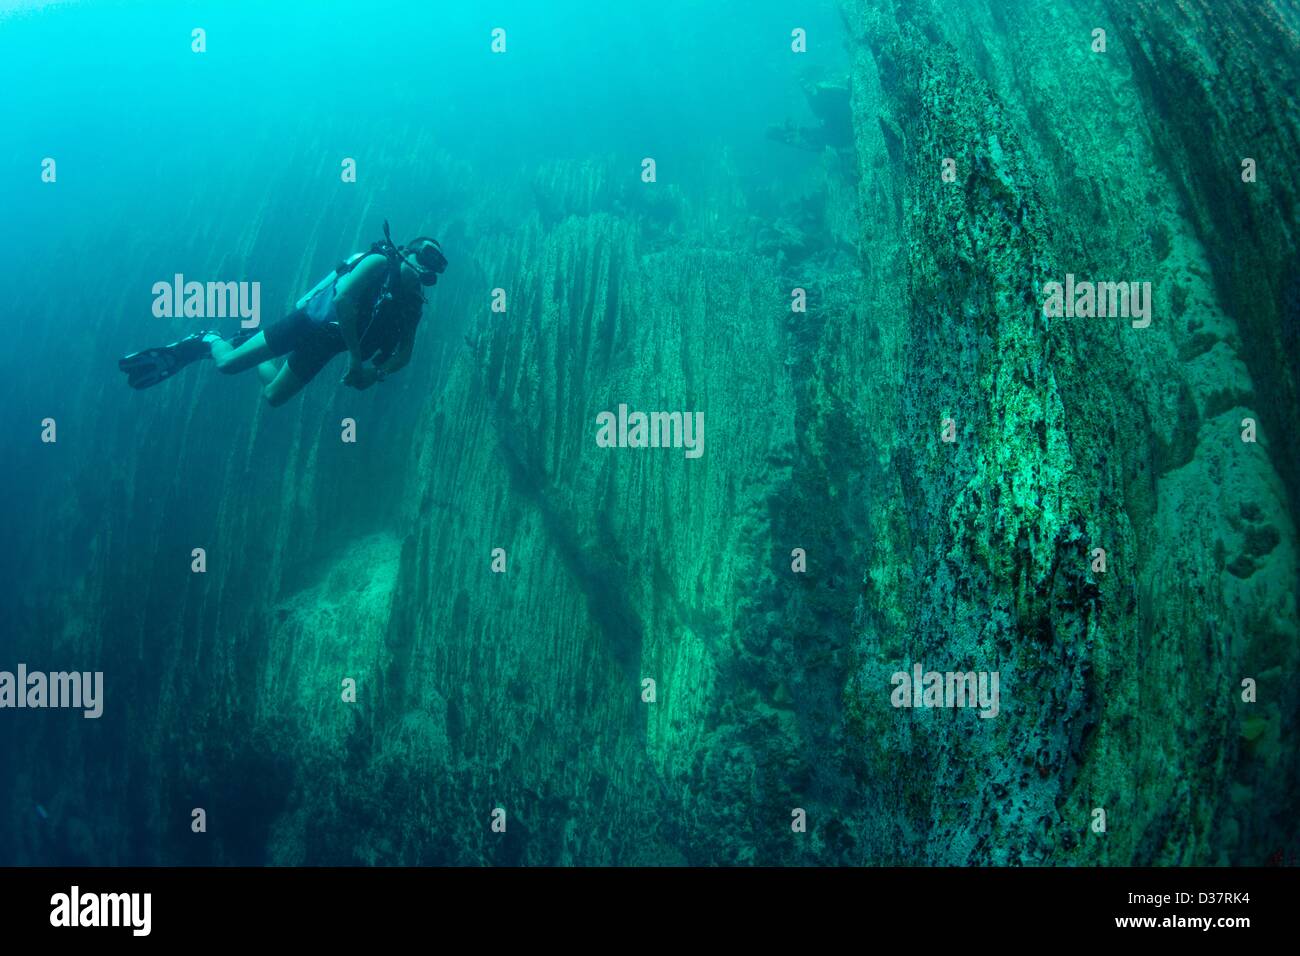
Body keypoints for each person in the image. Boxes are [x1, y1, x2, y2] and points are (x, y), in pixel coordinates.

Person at [118, 224, 447, 405]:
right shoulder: (379, 264)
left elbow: (404, 354)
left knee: (272, 397)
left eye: (437, 265)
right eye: (429, 255)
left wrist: (375, 374)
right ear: (409, 251)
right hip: (311, 322)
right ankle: (209, 339)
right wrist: (356, 361)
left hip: (327, 344)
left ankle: (246, 339)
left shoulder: (412, 304)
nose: (429, 268)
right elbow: (344, 301)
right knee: (227, 365)